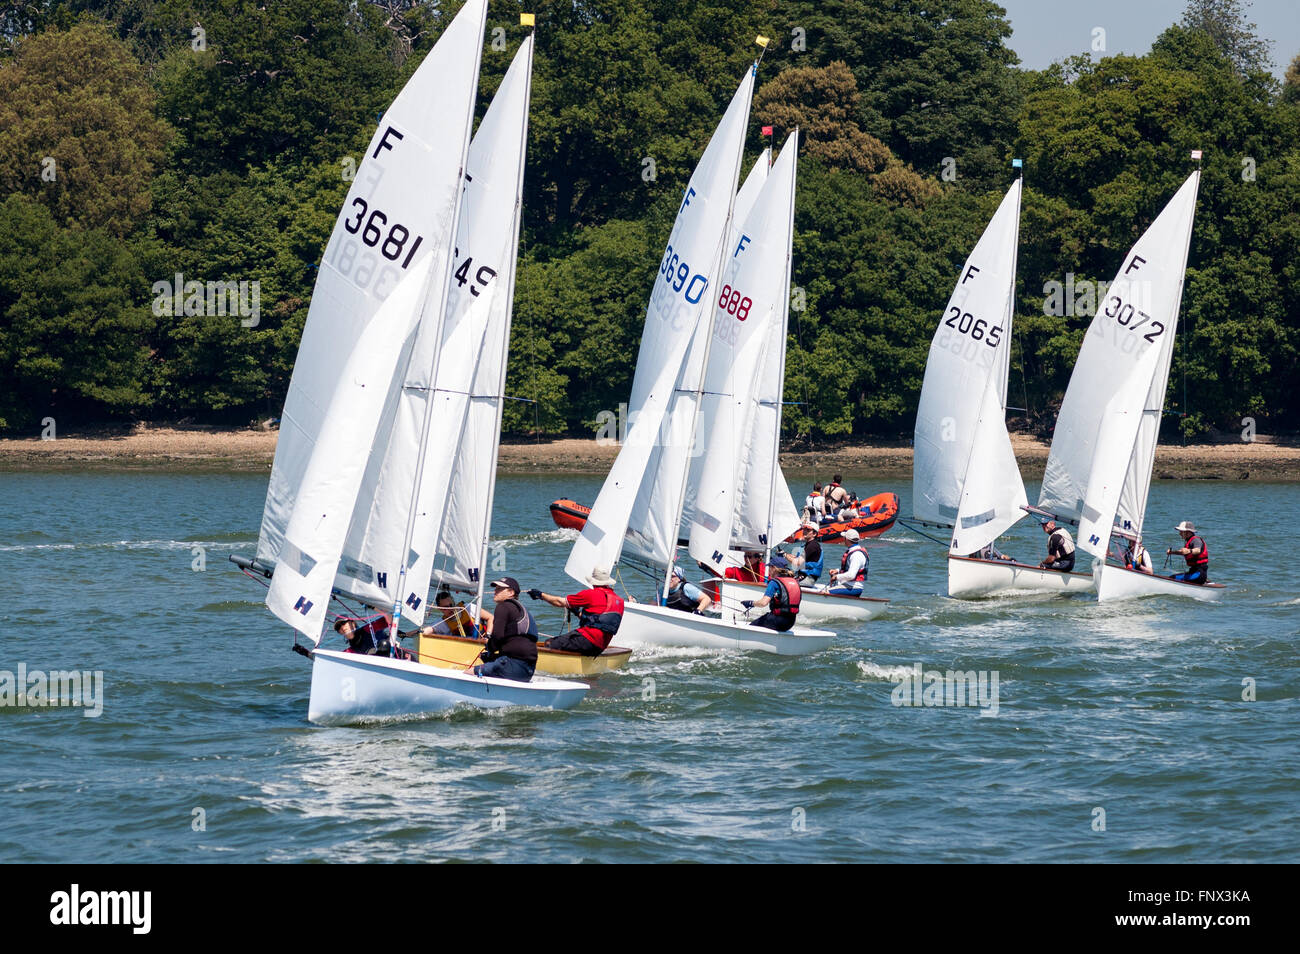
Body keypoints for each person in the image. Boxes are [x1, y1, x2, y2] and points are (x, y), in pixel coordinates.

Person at [529, 567, 625, 656]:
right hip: (600, 646)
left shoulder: (590, 594)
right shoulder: (619, 601)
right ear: (607, 582)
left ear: (593, 581)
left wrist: (540, 595)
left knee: (549, 643)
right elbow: (598, 621)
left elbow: (559, 602)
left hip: (588, 640)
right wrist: (576, 612)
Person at [471, 577, 537, 681]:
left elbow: (497, 636)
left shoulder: (503, 606)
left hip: (513, 664)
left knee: (469, 672)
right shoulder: (521, 609)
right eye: (496, 588)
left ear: (511, 592)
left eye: (500, 589)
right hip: (528, 669)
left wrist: (489, 646)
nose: (495, 591)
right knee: (488, 660)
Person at [740, 567, 802, 631]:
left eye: (769, 568)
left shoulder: (774, 582)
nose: (768, 571)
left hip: (777, 621)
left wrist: (751, 603)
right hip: (790, 622)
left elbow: (763, 603)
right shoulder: (795, 582)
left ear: (774, 568)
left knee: (751, 627)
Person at [421, 589, 491, 638]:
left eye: (451, 605)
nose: (450, 609)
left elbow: (490, 618)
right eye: (446, 608)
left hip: (484, 642)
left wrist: (488, 636)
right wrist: (415, 634)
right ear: (440, 609)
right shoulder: (443, 623)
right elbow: (427, 630)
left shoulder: (468, 608)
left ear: (454, 602)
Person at [828, 528, 868, 595]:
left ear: (846, 539)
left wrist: (836, 577)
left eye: (844, 538)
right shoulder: (853, 551)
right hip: (849, 585)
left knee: (826, 591)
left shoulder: (856, 555)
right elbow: (852, 568)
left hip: (853, 587)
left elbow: (851, 575)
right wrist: (838, 571)